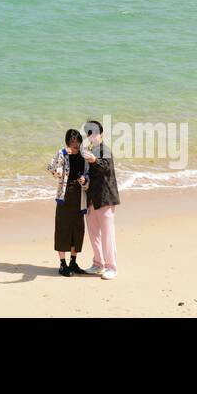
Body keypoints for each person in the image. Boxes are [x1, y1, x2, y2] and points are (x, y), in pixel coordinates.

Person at [46, 128, 89, 277]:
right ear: (67, 142)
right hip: (65, 197)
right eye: (72, 141)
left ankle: (73, 262)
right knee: (63, 229)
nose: (75, 144)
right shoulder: (62, 154)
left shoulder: (84, 155)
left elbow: (88, 174)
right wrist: (62, 154)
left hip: (79, 196)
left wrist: (85, 180)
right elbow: (51, 169)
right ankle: (62, 264)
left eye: (77, 141)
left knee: (78, 229)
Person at [81, 120, 120, 280]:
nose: (91, 136)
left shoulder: (105, 150)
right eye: (88, 133)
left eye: (94, 133)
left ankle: (111, 267)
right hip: (91, 198)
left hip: (105, 198)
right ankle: (98, 264)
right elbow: (88, 173)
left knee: (107, 235)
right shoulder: (89, 151)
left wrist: (93, 160)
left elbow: (104, 165)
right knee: (93, 233)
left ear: (101, 134)